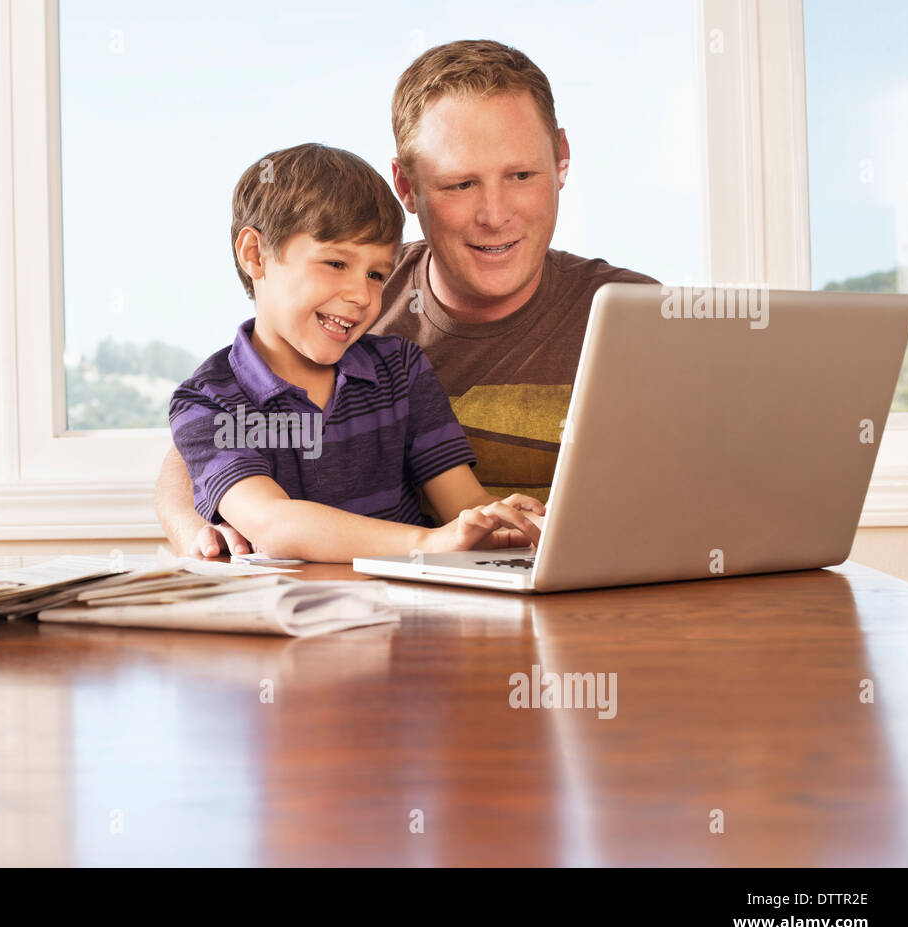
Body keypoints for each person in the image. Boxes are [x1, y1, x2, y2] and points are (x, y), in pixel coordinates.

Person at [157, 39, 655, 557]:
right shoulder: (349, 320)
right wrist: (190, 525)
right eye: (460, 184)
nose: (494, 214)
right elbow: (201, 448)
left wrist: (507, 527)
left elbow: (466, 507)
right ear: (407, 186)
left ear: (561, 159)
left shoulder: (638, 315)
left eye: (521, 175)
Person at [168, 143, 544, 563]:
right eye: (335, 264)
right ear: (256, 255)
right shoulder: (207, 402)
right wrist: (428, 543)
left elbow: (462, 504)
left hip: (408, 612)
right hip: (295, 617)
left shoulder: (400, 369)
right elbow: (273, 523)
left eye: (376, 274)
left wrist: (503, 520)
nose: (361, 295)